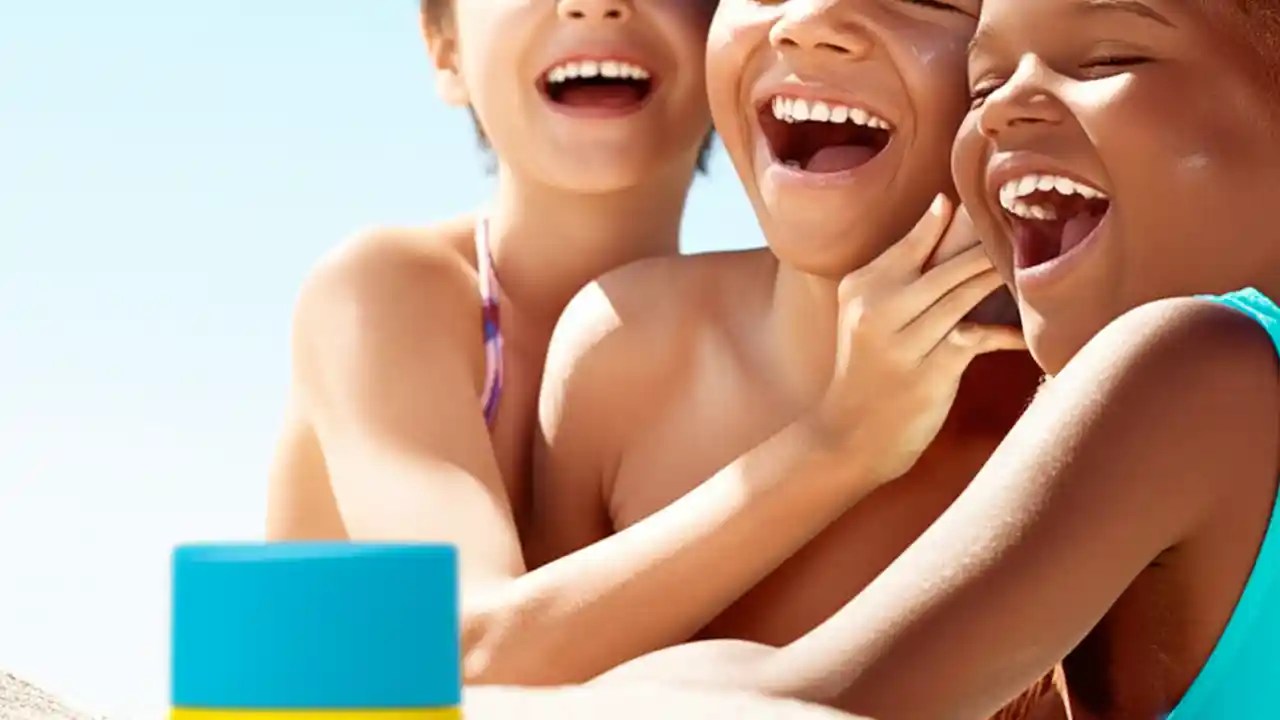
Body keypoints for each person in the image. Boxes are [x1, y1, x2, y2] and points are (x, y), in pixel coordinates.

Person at [599, 1, 1280, 718]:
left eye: (1108, 60)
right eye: (983, 86)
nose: (1001, 110)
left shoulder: (1195, 363)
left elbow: (804, 705)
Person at [531, 0, 1052, 713]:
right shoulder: (623, 351)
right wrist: (842, 445)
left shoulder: (1104, 398)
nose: (805, 22)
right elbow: (480, 686)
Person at [264, 0, 718, 683]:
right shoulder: (384, 293)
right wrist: (831, 451)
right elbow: (471, 648)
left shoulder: (762, 342)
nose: (594, 3)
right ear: (444, 48)